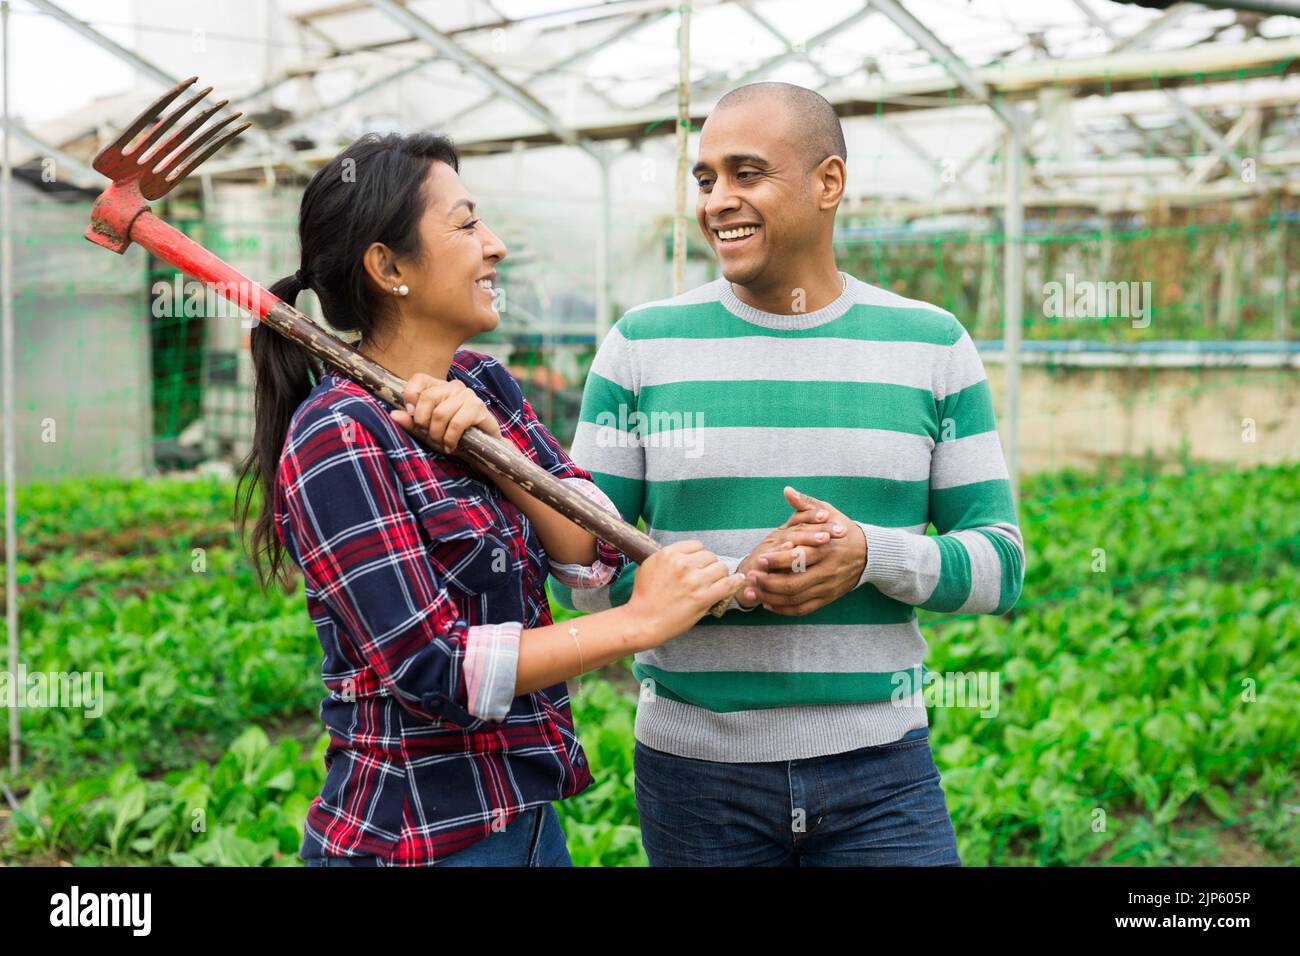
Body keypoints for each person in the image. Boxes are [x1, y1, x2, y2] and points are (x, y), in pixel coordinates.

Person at [549, 82, 1027, 866]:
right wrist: (717, 586)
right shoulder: (641, 348)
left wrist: (870, 556)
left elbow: (1001, 567)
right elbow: (582, 575)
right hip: (694, 774)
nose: (717, 201)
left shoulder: (931, 346)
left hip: (883, 772)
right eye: (704, 179)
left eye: (746, 173)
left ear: (827, 183)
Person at [236, 131, 743, 867]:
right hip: (417, 840)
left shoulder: (482, 384)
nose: (494, 246)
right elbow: (433, 669)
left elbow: (586, 548)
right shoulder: (337, 435)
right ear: (387, 266)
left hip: (529, 823)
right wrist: (640, 624)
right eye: (467, 224)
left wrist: (496, 454)